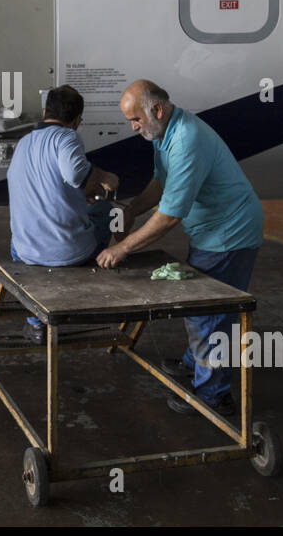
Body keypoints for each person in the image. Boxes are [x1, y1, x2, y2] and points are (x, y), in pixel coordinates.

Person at [96, 80, 263, 417]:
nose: (133, 127)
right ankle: (194, 362)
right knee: (202, 309)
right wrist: (132, 209)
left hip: (228, 234)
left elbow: (171, 215)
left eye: (136, 119)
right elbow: (162, 182)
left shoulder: (187, 139)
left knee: (211, 314)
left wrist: (123, 248)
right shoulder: (164, 132)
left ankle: (214, 395)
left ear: (157, 109)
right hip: (211, 231)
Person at [6, 85, 119, 343]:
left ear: (45, 111)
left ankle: (35, 323)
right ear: (77, 120)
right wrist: (104, 176)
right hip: (71, 254)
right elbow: (75, 174)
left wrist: (77, 197)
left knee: (22, 230)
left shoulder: (23, 143)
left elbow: (45, 188)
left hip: (25, 253)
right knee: (105, 210)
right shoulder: (67, 137)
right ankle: (87, 282)